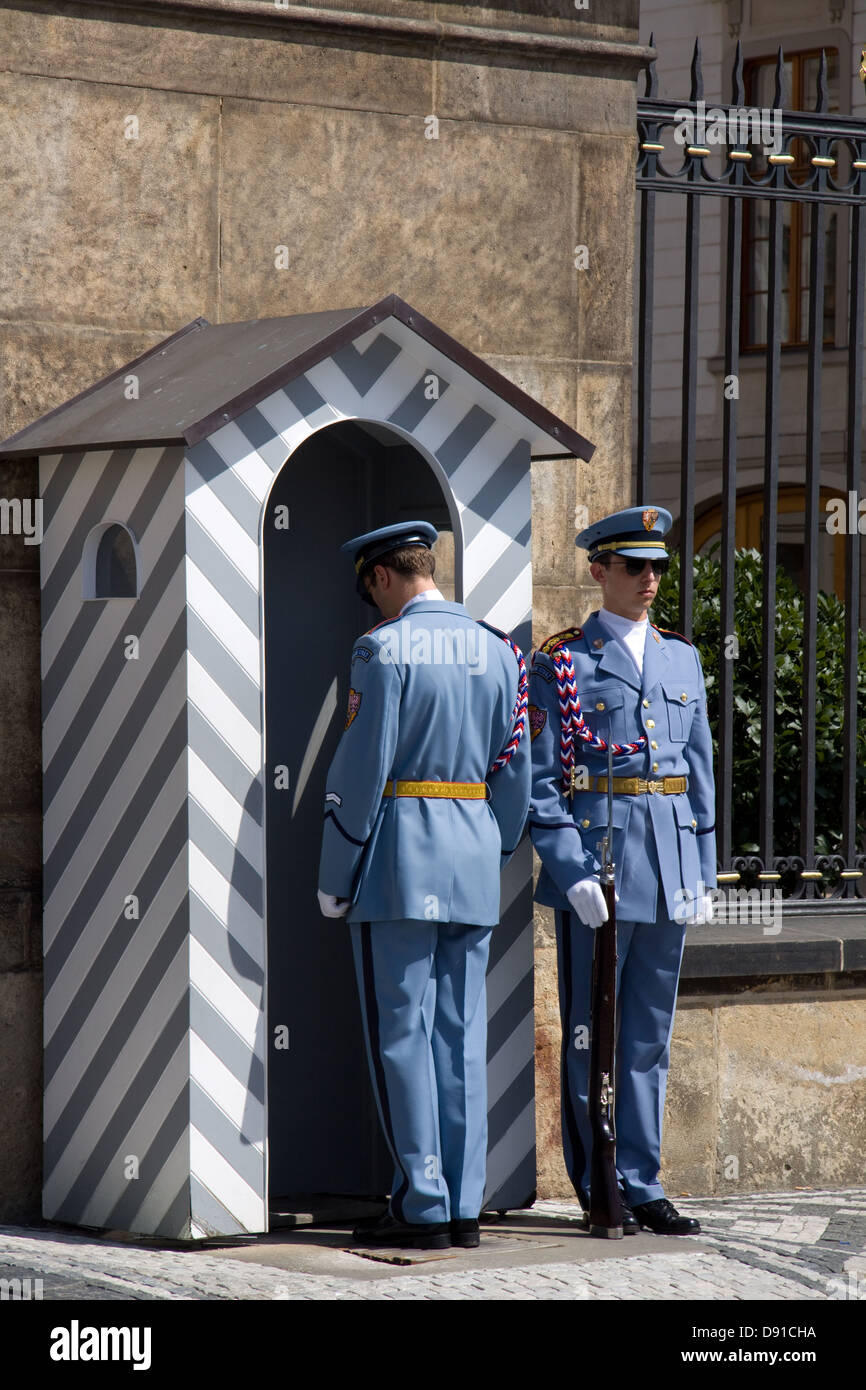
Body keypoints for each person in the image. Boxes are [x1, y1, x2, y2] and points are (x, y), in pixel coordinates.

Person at [317, 520, 531, 1250]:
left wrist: (336, 870)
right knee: (462, 1036)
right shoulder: (500, 651)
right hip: (472, 857)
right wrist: (489, 846)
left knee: (403, 1033)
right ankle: (466, 1205)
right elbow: (515, 775)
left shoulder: (382, 648)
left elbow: (360, 770)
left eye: (367, 591)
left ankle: (424, 1202)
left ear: (381, 576)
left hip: (401, 862)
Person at [528, 506, 716, 1235]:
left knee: (647, 1035)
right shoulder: (563, 660)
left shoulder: (682, 658)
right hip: (601, 867)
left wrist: (701, 866)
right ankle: (598, 1180)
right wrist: (569, 868)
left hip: (668, 863)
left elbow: (699, 772)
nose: (649, 579)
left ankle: (643, 1179)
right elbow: (543, 781)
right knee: (591, 1030)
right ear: (599, 570)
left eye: (658, 566)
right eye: (634, 566)